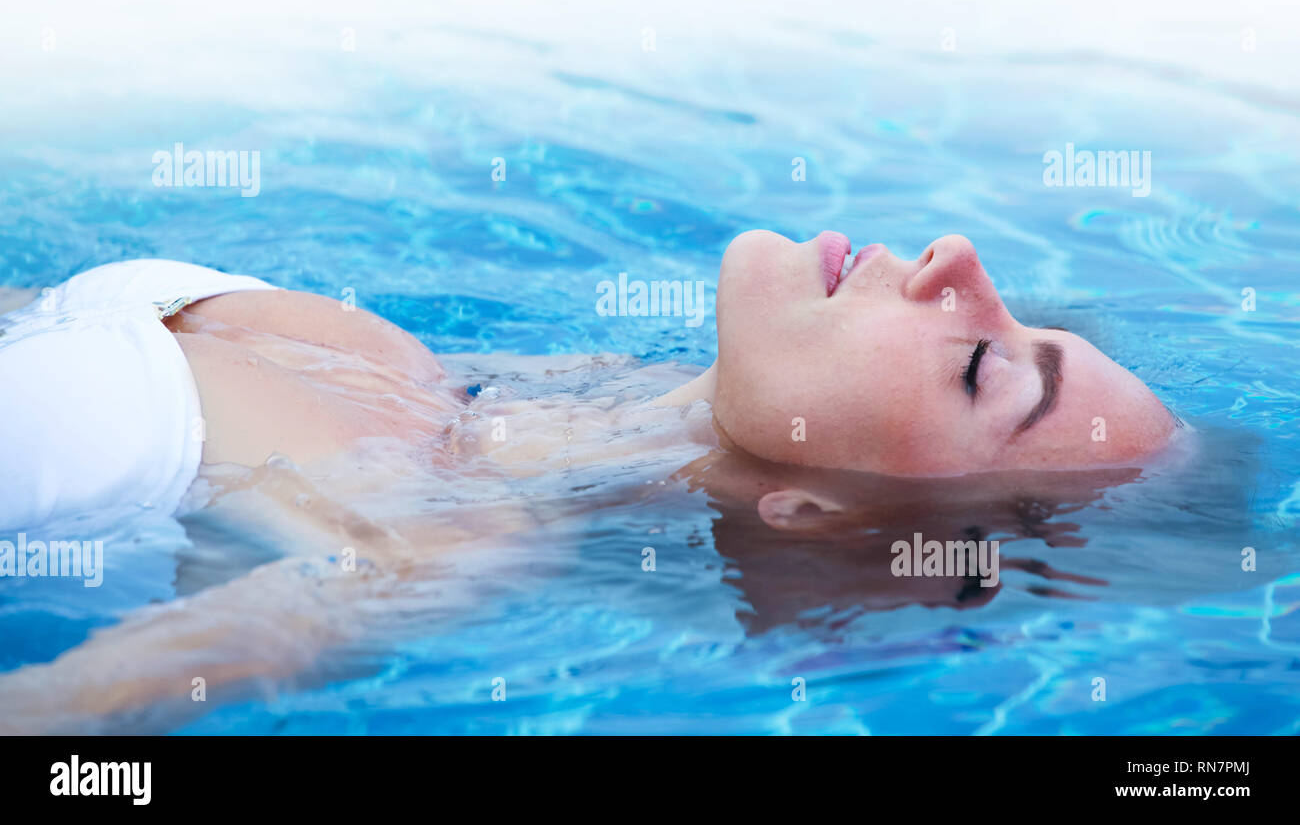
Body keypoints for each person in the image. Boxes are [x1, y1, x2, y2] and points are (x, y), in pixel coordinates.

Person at [0, 231, 1184, 731]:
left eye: (984, 366)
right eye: (1014, 308)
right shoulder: (473, 386)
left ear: (815, 509)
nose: (960, 260)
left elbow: (58, 723)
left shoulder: (437, 544)